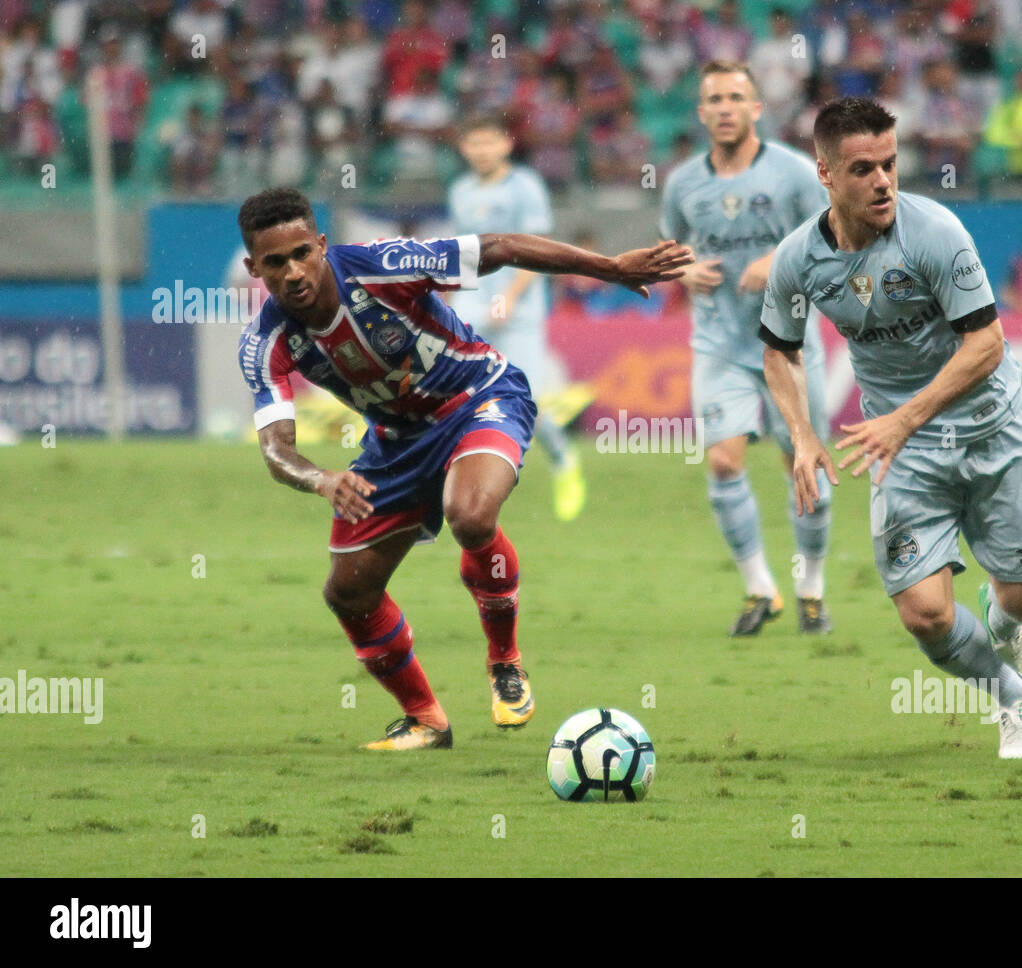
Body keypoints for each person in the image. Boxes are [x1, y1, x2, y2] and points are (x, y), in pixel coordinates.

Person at [236, 187, 689, 750]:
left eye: (302, 253)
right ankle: (426, 720)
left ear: (322, 245)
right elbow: (276, 449)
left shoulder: (382, 267)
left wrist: (610, 268)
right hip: (397, 442)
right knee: (348, 592)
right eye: (275, 263)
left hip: (479, 397)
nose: (294, 272)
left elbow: (498, 246)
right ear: (255, 268)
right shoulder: (265, 343)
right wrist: (323, 479)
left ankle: (504, 659)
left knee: (469, 517)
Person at [760, 98, 1022, 759]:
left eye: (890, 163)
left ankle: (1005, 618)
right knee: (924, 613)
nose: (884, 180)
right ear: (826, 174)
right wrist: (803, 433)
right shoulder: (798, 260)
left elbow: (987, 344)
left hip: (989, 431)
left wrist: (904, 416)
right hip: (904, 453)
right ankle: (1014, 701)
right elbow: (779, 347)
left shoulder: (935, 233)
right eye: (863, 168)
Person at [658, 60, 834, 637]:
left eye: (737, 96)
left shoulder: (795, 173)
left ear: (757, 108)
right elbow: (672, 247)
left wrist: (777, 260)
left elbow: (834, 238)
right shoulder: (684, 182)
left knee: (801, 469)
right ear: (702, 112)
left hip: (790, 344)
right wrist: (683, 270)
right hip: (719, 343)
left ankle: (810, 589)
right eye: (715, 98)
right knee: (723, 460)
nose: (726, 107)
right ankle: (762, 588)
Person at [447, 114, 589, 522]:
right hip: (474, 303)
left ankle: (563, 459)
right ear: (464, 149)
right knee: (457, 393)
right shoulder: (460, 191)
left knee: (525, 398)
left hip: (520, 306)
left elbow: (538, 248)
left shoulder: (526, 186)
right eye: (475, 143)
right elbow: (463, 254)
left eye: (490, 142)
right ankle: (461, 479)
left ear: (506, 145)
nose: (482, 151)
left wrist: (509, 296)